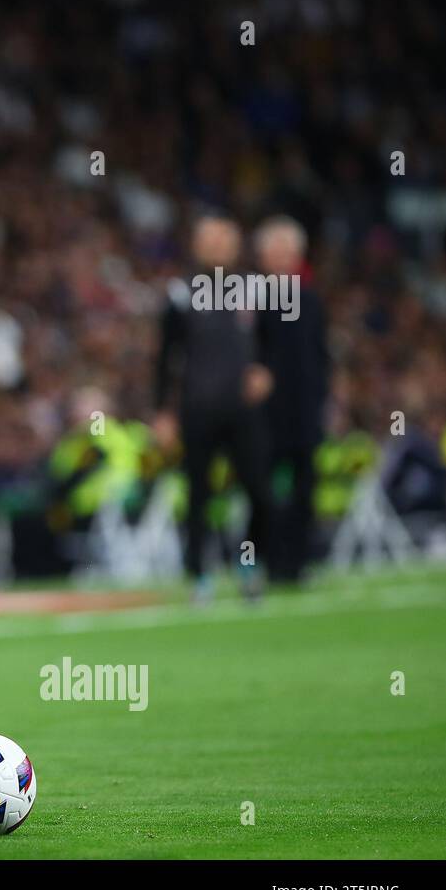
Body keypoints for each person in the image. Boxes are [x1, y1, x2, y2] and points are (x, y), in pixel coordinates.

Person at [154, 216, 274, 602]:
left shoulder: (254, 289)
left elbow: (272, 342)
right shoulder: (180, 292)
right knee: (199, 494)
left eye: (225, 239)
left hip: (243, 409)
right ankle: (199, 574)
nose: (219, 247)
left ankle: (248, 564)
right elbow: (164, 357)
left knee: (257, 488)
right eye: (211, 240)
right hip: (198, 407)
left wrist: (265, 370)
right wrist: (162, 411)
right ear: (197, 246)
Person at [254, 216, 329, 583]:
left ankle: (298, 563)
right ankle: (266, 562)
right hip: (267, 416)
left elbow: (320, 355)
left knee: (304, 487)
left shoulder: (311, 300)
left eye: (290, 251)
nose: (284, 258)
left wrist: (325, 399)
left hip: (305, 410)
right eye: (277, 250)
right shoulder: (252, 299)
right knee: (265, 490)